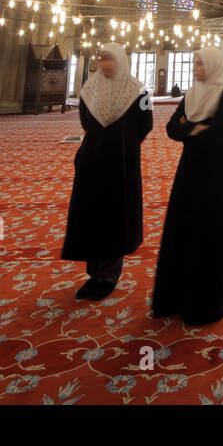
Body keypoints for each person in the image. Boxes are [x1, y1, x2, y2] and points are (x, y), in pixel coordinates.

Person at [151, 47, 223, 326]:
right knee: (183, 228)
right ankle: (175, 296)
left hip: (214, 175)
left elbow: (219, 134)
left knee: (207, 230)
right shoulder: (191, 95)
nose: (196, 67)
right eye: (195, 63)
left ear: (212, 66)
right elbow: (172, 129)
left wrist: (191, 128)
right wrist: (196, 128)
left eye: (200, 63)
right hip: (188, 172)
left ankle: (205, 302)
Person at [61, 44, 152, 301]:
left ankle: (109, 276)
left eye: (110, 59)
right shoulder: (89, 89)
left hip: (121, 164)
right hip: (92, 162)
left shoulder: (139, 90)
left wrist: (125, 145)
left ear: (121, 61)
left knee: (115, 217)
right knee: (92, 217)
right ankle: (93, 275)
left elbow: (147, 124)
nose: (106, 64)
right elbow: (85, 121)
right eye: (102, 59)